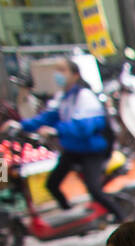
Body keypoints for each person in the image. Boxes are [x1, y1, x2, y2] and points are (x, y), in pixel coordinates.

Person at [12, 59, 121, 221]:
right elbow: (47, 117)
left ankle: (122, 217)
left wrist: (56, 130)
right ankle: (71, 216)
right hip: (72, 150)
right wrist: (20, 125)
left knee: (94, 190)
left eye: (62, 70)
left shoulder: (85, 97)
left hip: (91, 151)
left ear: (75, 74)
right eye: (57, 70)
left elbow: (85, 127)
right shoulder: (63, 98)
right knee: (52, 184)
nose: (58, 75)